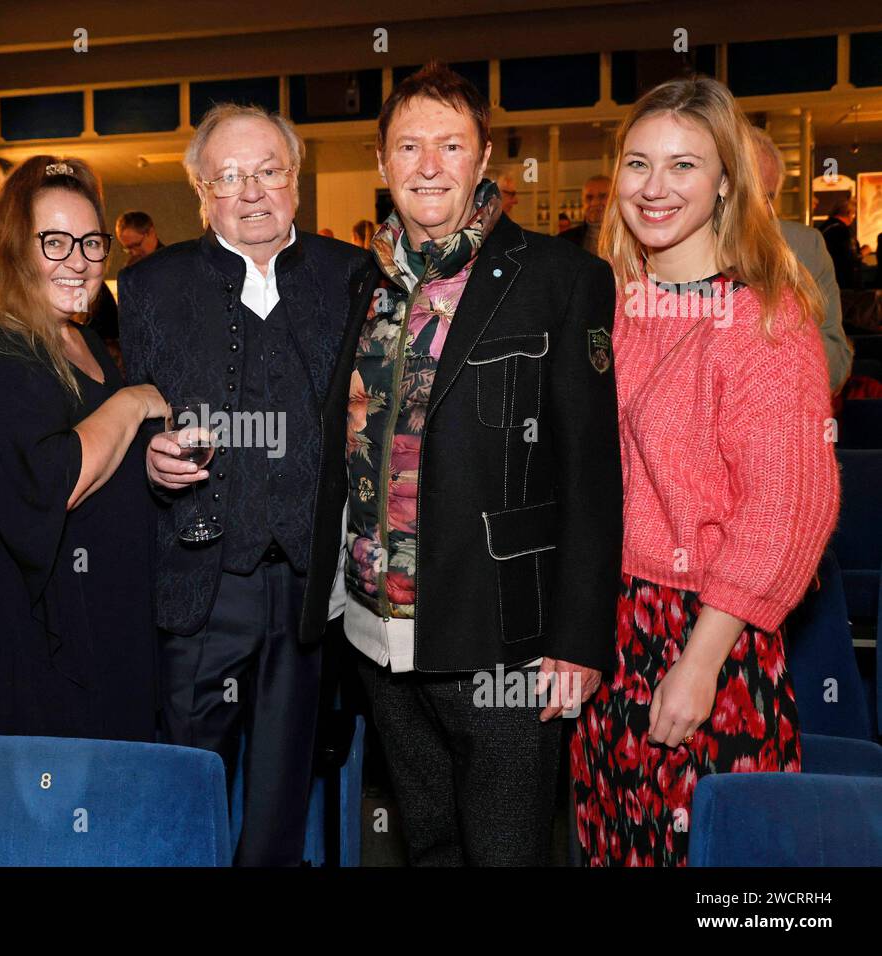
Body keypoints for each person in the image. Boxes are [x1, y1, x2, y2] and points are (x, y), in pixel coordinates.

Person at [300, 61, 622, 866]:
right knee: (430, 846)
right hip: (379, 633)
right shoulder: (361, 284)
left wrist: (580, 640)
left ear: (484, 159)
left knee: (506, 852)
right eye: (409, 146)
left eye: (451, 144)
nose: (430, 166)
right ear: (382, 164)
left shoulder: (562, 278)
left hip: (503, 639)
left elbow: (591, 473)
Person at [571, 76, 840, 867]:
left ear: (729, 180)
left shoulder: (764, 319)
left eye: (684, 166)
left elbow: (787, 509)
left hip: (707, 631)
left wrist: (699, 663)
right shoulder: (612, 303)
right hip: (609, 622)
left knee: (707, 862)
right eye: (638, 163)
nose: (654, 189)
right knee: (613, 844)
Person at [119, 103, 369, 866]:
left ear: (296, 182)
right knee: (185, 788)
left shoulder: (350, 275)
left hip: (308, 589)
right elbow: (133, 412)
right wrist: (149, 458)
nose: (252, 191)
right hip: (200, 586)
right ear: (201, 192)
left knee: (282, 799)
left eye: (269, 171)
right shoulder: (147, 287)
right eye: (229, 176)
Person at [0, 157, 165, 739]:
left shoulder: (75, 337)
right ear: (11, 250)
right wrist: (133, 403)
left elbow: (102, 451)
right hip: (20, 630)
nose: (78, 260)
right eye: (53, 242)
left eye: (90, 241)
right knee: (30, 814)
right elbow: (54, 481)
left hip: (95, 614)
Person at [749, 126, 851, 392]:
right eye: (743, 193)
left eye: (765, 197)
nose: (752, 210)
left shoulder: (805, 247)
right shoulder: (669, 251)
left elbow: (837, 357)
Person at [818, 197, 863, 290]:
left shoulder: (823, 228)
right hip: (845, 282)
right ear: (849, 213)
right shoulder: (844, 231)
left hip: (825, 279)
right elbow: (852, 257)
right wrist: (864, 252)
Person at [560, 174, 612, 253]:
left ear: (616, 199)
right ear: (583, 202)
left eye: (602, 196)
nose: (595, 203)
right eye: (589, 197)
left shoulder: (631, 238)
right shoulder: (565, 241)